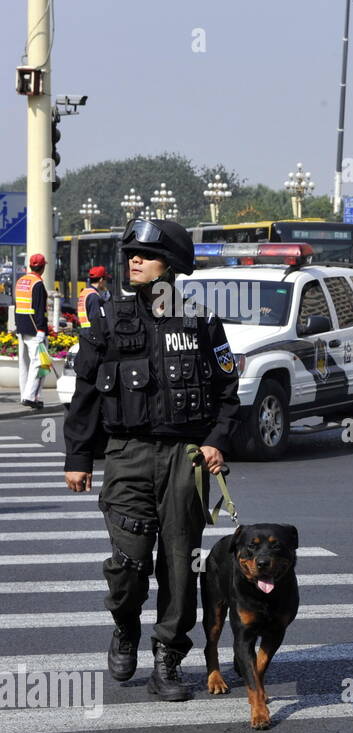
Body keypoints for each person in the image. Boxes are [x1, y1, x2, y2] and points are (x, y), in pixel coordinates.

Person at [63, 219, 241, 701]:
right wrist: (78, 456)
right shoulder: (106, 319)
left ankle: (168, 659)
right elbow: (84, 393)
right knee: (128, 565)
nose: (133, 261)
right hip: (128, 455)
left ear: (173, 266)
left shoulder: (202, 320)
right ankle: (124, 626)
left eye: (145, 255)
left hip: (186, 457)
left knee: (181, 566)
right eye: (130, 254)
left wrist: (216, 440)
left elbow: (229, 392)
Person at [13, 252, 51, 409]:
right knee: (39, 363)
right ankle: (30, 397)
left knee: (25, 363)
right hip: (35, 330)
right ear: (42, 268)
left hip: (22, 328)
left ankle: (27, 395)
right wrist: (42, 331)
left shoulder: (21, 281)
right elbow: (39, 309)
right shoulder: (38, 284)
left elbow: (18, 305)